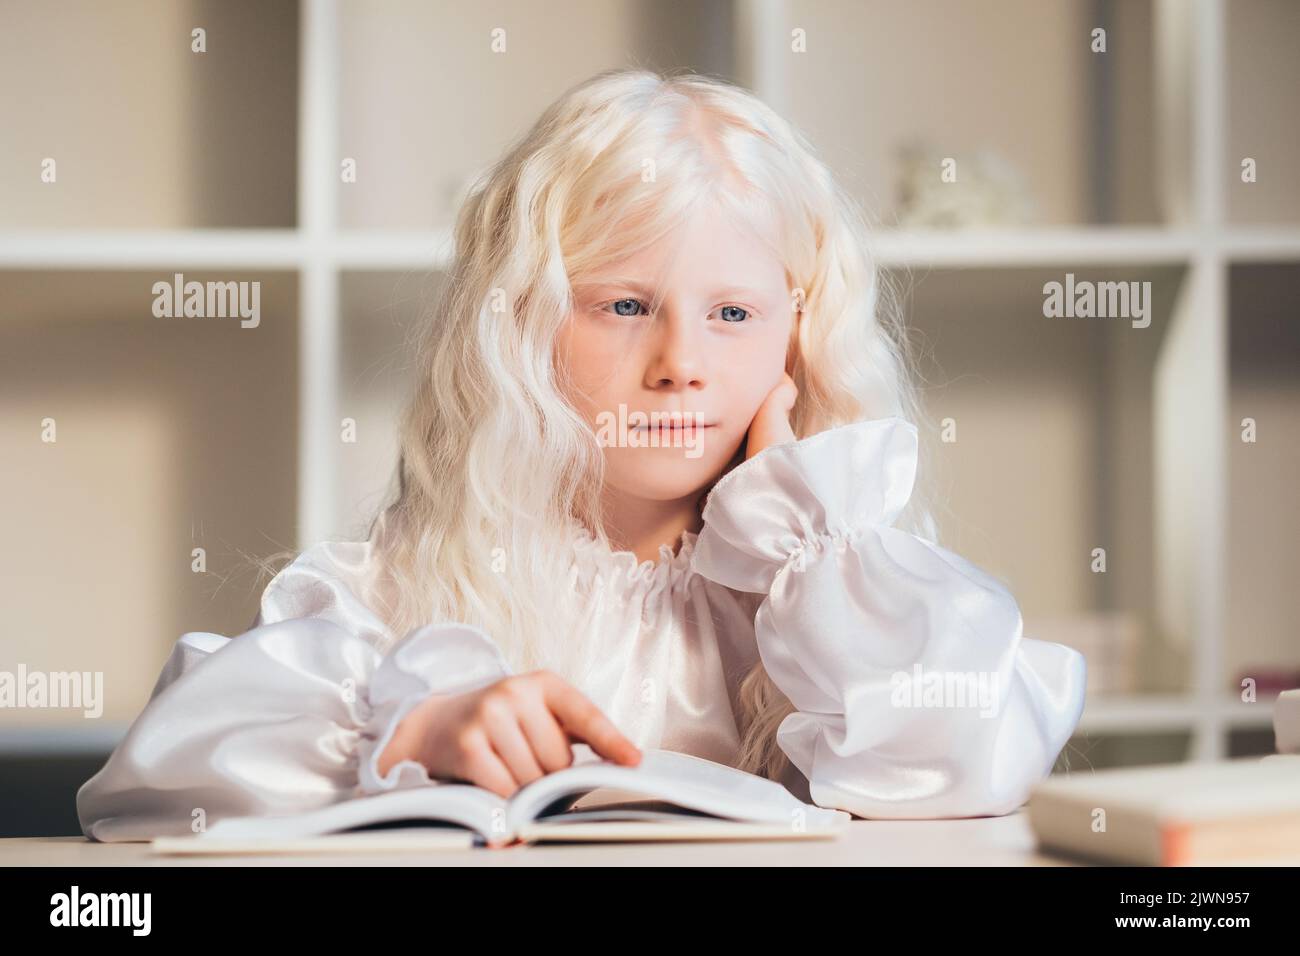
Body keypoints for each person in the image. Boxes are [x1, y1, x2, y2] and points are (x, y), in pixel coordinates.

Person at [78, 68, 1085, 842]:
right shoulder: (405, 588)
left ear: (796, 335)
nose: (680, 364)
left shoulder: (843, 592)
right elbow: (156, 790)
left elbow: (964, 756)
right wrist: (416, 731)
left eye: (733, 312)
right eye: (623, 306)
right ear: (519, 323)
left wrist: (806, 531)